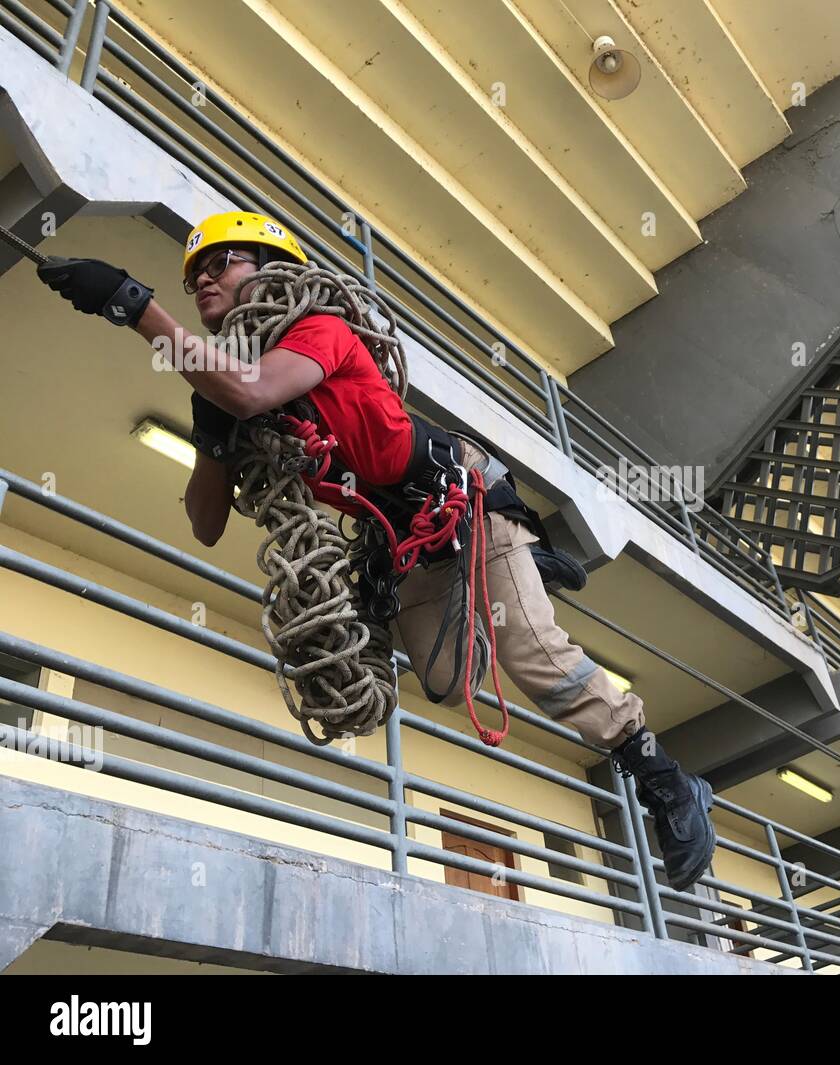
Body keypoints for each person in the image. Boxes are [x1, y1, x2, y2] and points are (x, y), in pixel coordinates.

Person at [36, 211, 717, 890]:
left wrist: (134, 304)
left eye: (219, 264)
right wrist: (213, 434)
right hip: (405, 543)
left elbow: (251, 388)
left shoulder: (318, 331)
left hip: (461, 502)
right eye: (192, 278)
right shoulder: (230, 391)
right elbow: (205, 522)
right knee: (449, 684)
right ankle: (504, 579)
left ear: (270, 270)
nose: (202, 281)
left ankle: (666, 781)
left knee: (536, 658)